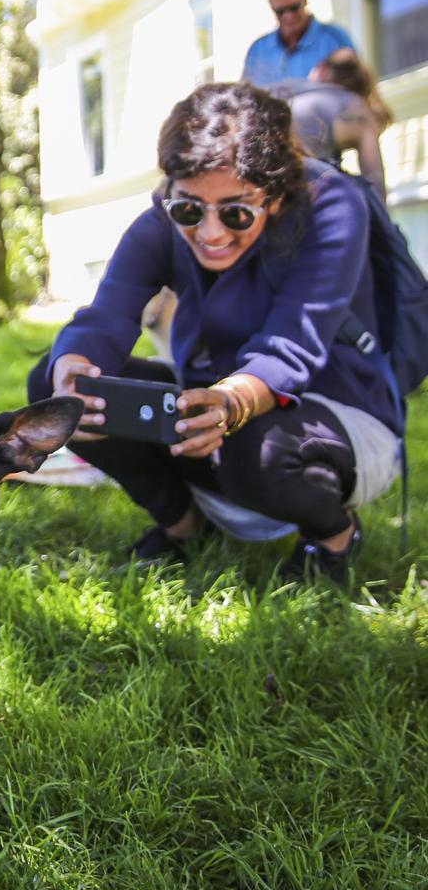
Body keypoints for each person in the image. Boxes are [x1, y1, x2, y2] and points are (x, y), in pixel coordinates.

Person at [29, 83, 402, 581]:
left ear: (275, 195)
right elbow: (106, 317)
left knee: (255, 443)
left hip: (338, 412)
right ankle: (185, 527)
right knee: (56, 389)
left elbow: (292, 346)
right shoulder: (159, 222)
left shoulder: (331, 205)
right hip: (218, 405)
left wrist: (231, 404)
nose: (210, 234)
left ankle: (333, 537)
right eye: (188, 210)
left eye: (235, 212)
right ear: (171, 192)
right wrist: (72, 368)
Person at [270, 48, 393, 199]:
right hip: (305, 194)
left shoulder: (286, 91)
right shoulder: (357, 110)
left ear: (324, 71)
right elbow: (375, 179)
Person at [241, 0, 357, 88]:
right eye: (280, 11)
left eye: (294, 8)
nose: (289, 17)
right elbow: (246, 99)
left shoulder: (334, 39)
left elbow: (357, 90)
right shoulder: (258, 51)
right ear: (271, 6)